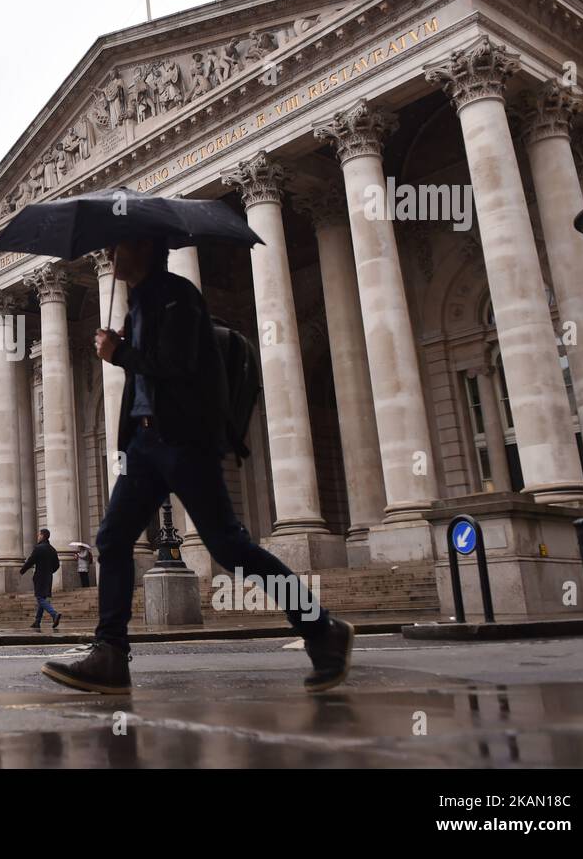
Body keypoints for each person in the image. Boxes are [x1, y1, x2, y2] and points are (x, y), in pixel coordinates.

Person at [40, 236, 353, 695]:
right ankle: (110, 653)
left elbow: (179, 366)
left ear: (145, 248)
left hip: (184, 443)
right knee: (112, 537)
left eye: (119, 247)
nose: (111, 255)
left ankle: (321, 628)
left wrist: (120, 354)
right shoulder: (140, 307)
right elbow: (149, 377)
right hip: (146, 444)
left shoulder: (179, 297)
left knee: (229, 547)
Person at [21, 529, 62, 630]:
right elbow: (57, 565)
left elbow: (31, 560)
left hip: (39, 576)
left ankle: (54, 614)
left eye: (39, 535)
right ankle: (37, 621)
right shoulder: (52, 549)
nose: (37, 536)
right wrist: (49, 571)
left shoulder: (39, 548)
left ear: (42, 536)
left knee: (40, 598)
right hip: (48, 577)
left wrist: (22, 570)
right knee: (42, 598)